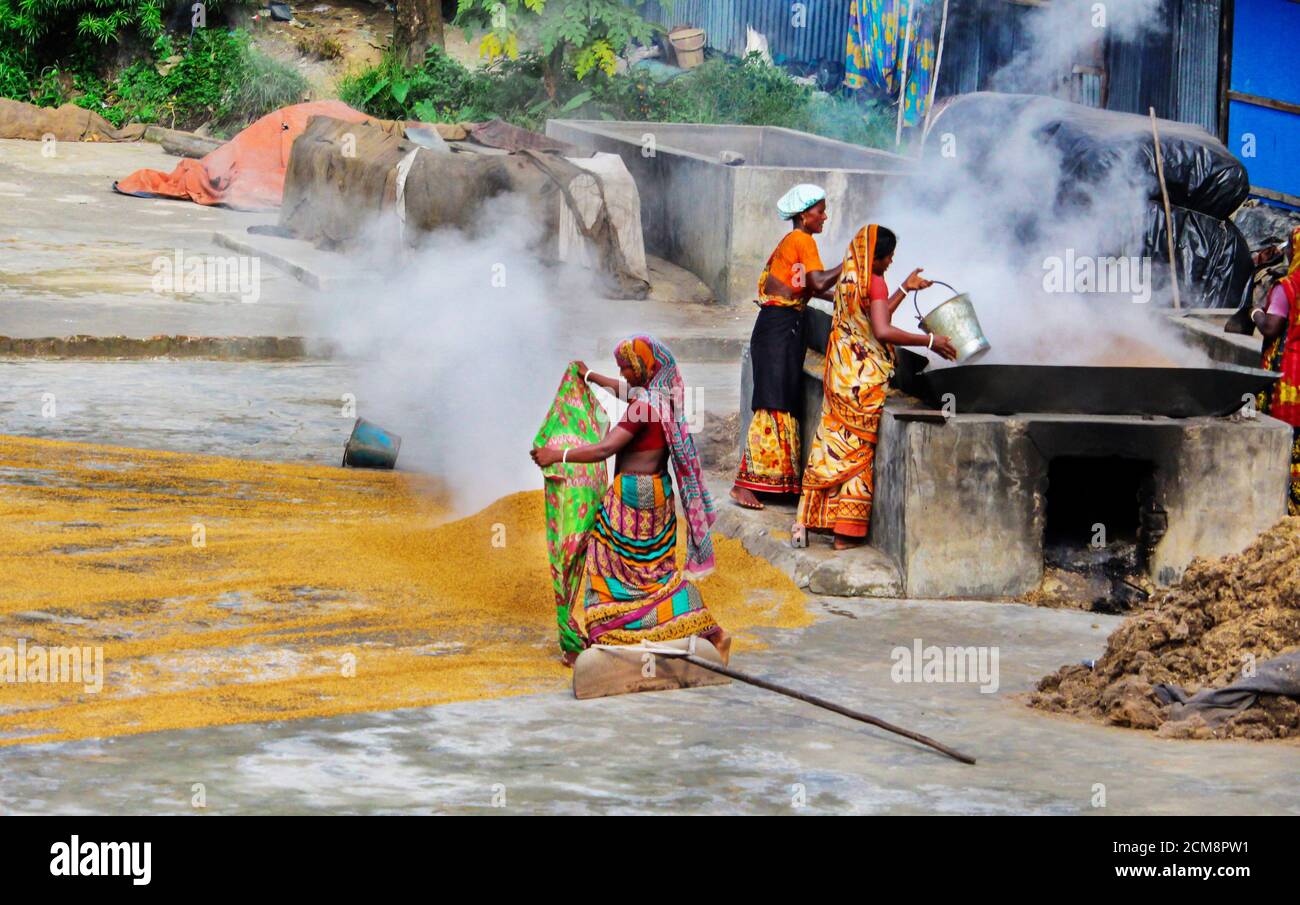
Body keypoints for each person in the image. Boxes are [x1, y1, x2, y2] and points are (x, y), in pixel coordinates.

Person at [530, 336, 728, 665]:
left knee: (603, 559)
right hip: (660, 497)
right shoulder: (664, 397)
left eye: (625, 367)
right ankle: (711, 633)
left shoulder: (641, 409)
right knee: (654, 574)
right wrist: (590, 375)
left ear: (640, 368)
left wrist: (557, 453)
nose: (621, 374)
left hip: (633, 498)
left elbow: (605, 448)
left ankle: (607, 637)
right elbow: (624, 392)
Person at [794, 224, 957, 551]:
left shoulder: (850, 278)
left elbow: (872, 315)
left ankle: (805, 522)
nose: (891, 261)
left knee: (830, 444)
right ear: (875, 255)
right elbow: (881, 330)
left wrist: (904, 288)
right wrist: (930, 341)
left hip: (840, 375)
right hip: (862, 382)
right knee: (858, 452)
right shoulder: (875, 282)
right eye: (888, 256)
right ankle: (844, 534)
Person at [732, 184, 843, 510]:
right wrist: (849, 262)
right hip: (779, 329)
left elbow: (808, 286)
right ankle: (743, 485)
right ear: (804, 215)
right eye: (820, 211)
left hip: (780, 328)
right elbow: (820, 282)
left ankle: (772, 484)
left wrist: (845, 295)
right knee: (772, 403)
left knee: (780, 403)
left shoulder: (793, 242)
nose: (824, 216)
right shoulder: (802, 240)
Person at [1251, 225, 1300, 515]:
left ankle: (1288, 518)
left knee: (1286, 443)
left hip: (1291, 379)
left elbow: (1271, 327)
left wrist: (1254, 312)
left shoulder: (1289, 286)